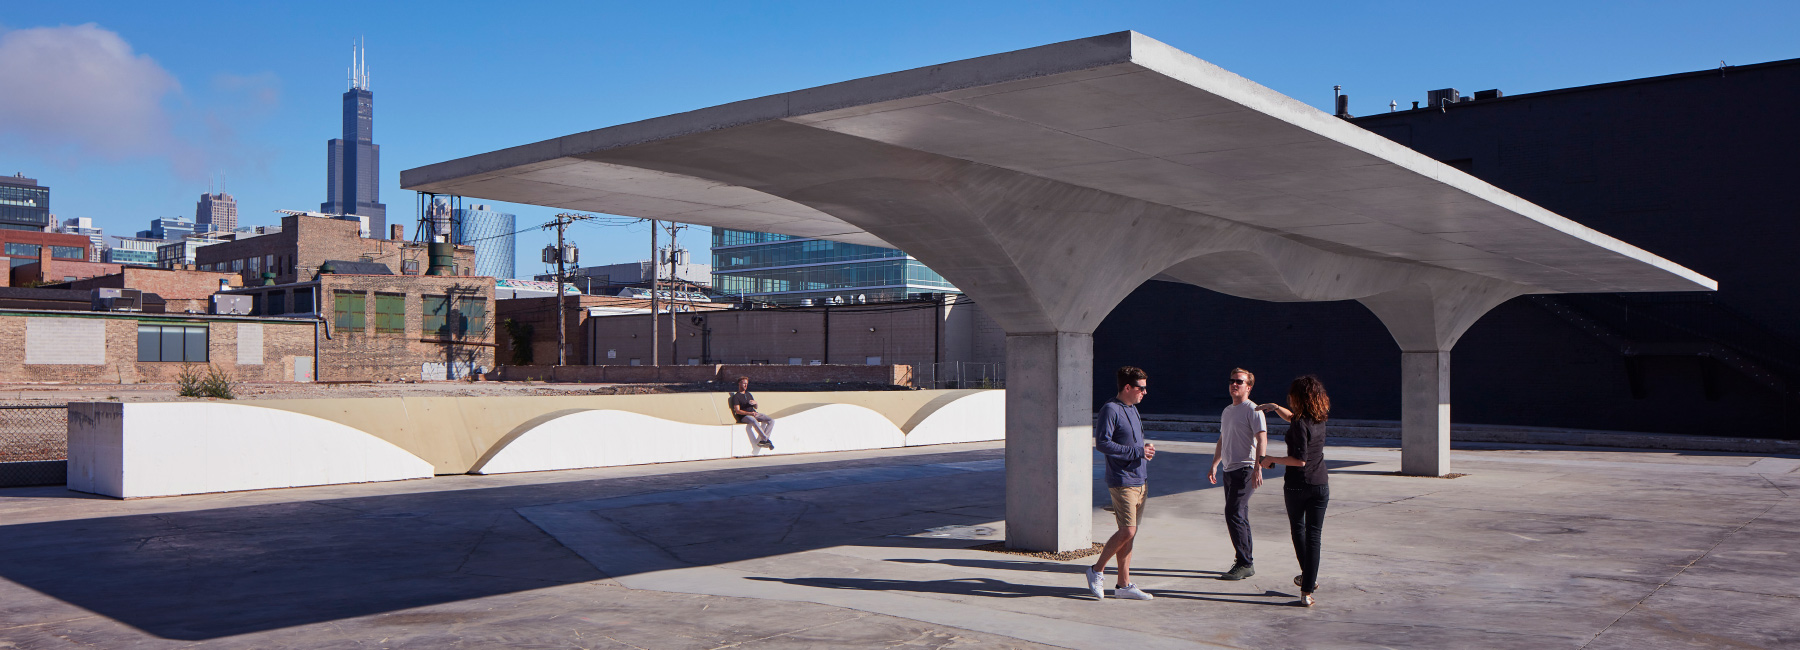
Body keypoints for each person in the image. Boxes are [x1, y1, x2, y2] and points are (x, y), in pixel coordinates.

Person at [1257, 375, 1331, 607]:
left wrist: (1270, 459)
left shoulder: (1300, 424)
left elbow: (1299, 460)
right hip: (1320, 484)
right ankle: (1307, 586)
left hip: (1298, 484)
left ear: (1298, 397)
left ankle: (1308, 584)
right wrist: (1276, 407)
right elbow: (1294, 419)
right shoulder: (1319, 419)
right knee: (1314, 536)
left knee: (1299, 531)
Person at [1085, 366, 1156, 601]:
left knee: (1129, 535)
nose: (1145, 392)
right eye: (1141, 388)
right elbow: (1102, 444)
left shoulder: (1133, 410)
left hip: (1140, 479)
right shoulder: (1110, 410)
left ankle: (1123, 585)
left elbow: (1133, 445)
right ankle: (1096, 570)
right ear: (1127, 387)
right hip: (1122, 480)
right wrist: (1137, 451)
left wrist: (1144, 452)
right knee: (1127, 530)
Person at [1209, 367, 1267, 581]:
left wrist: (1258, 467)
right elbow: (1222, 440)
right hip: (1229, 469)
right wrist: (1215, 464)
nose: (1234, 384)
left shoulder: (1253, 410)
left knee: (1233, 512)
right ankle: (1246, 560)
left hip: (1246, 468)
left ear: (1248, 387)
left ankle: (1244, 562)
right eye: (1232, 380)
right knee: (1239, 514)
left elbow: (1262, 439)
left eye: (1239, 382)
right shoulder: (1227, 411)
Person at [729, 376, 774, 450]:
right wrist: (750, 414)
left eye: (747, 384)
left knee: (771, 420)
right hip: (745, 416)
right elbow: (738, 411)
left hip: (754, 413)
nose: (746, 385)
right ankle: (766, 439)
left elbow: (756, 407)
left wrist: (755, 403)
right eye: (744, 383)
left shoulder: (749, 394)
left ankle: (763, 440)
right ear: (739, 384)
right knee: (753, 420)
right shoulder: (736, 397)